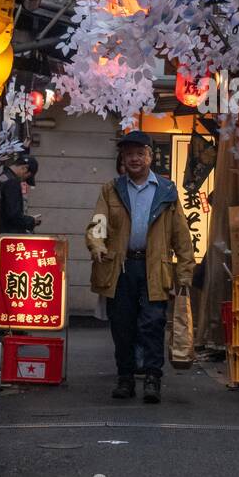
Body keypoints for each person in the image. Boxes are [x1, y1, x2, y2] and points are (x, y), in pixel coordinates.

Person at [84, 130, 194, 404]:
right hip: (121, 268)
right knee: (122, 325)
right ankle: (125, 377)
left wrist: (185, 271)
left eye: (139, 154)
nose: (134, 159)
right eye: (129, 154)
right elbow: (98, 222)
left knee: (153, 324)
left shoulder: (167, 190)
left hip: (155, 267)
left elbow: (181, 234)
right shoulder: (111, 189)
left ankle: (153, 378)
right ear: (123, 158)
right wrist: (96, 244)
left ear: (150, 156)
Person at [0, 153, 40, 234]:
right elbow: (13, 215)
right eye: (27, 176)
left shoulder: (0, 173)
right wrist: (31, 221)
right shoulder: (12, 183)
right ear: (25, 168)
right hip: (4, 233)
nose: (23, 180)